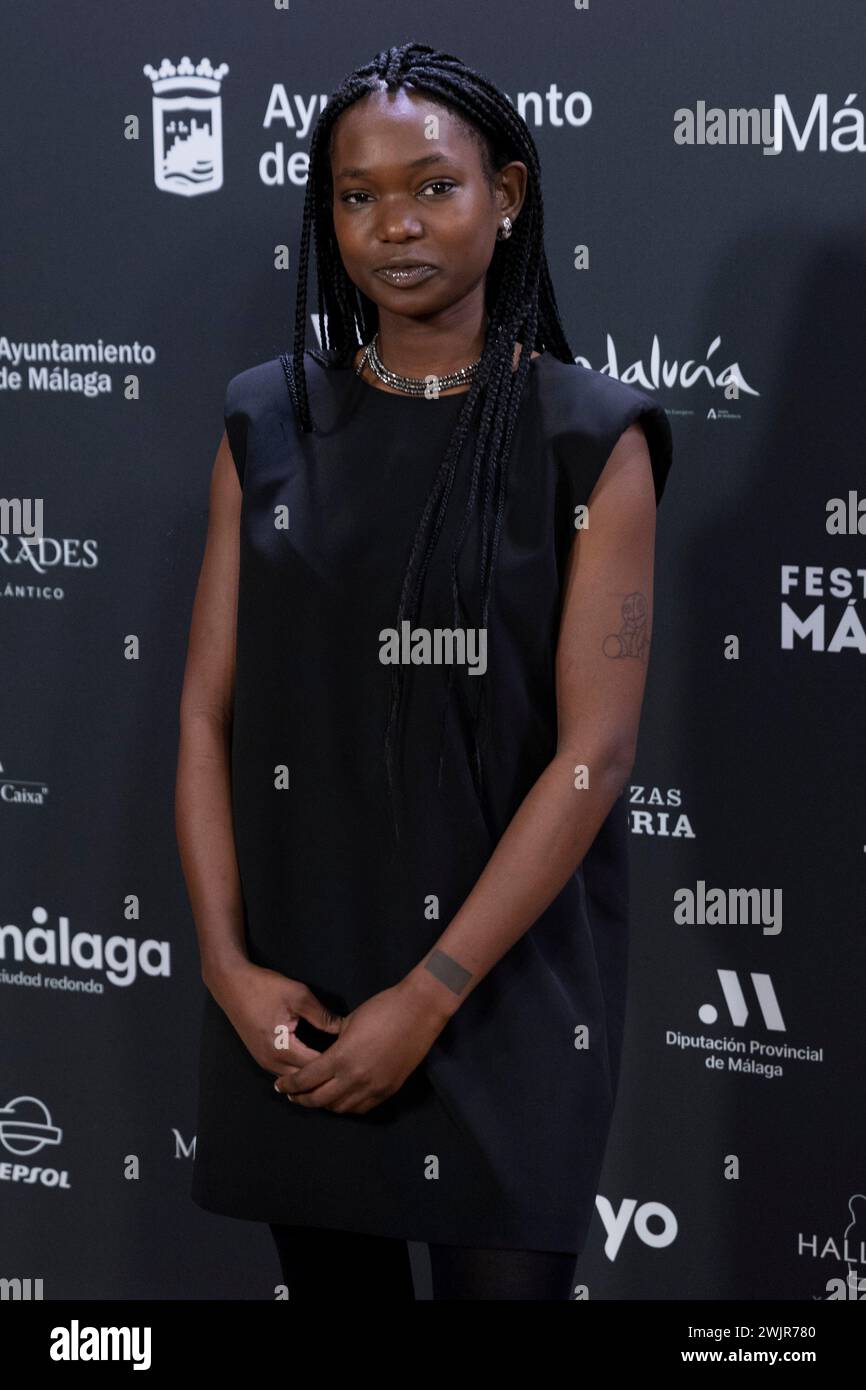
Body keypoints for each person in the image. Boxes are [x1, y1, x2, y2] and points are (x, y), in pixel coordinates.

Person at [175, 41, 673, 1301]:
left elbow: (593, 751)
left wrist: (432, 991)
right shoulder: (266, 422)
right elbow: (204, 711)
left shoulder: (587, 437)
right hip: (298, 990)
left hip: (500, 997)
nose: (393, 223)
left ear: (506, 193)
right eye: (356, 195)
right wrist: (229, 971)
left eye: (432, 186)